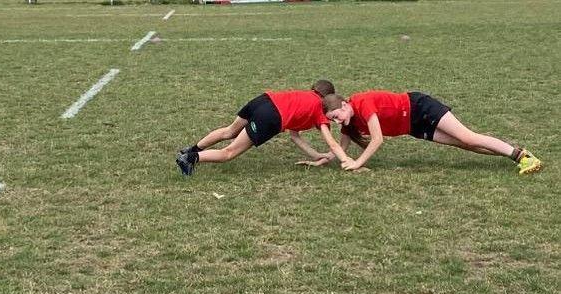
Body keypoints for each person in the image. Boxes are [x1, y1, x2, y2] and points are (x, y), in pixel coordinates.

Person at [320, 91, 543, 174]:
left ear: (344, 104)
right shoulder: (350, 122)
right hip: (413, 127)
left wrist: (358, 163)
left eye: (336, 116)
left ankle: (523, 157)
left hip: (420, 107)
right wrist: (327, 158)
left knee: (467, 136)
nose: (337, 122)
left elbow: (377, 139)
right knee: (465, 144)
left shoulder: (362, 102)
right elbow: (341, 147)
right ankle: (512, 154)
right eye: (333, 120)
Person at [176, 80, 346, 176]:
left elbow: (295, 136)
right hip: (271, 116)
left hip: (264, 99)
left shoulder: (304, 96)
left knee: (229, 131)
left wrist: (316, 155)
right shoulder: (320, 109)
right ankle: (189, 158)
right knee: (229, 153)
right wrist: (347, 161)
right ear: (327, 98)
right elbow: (331, 143)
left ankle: (191, 149)